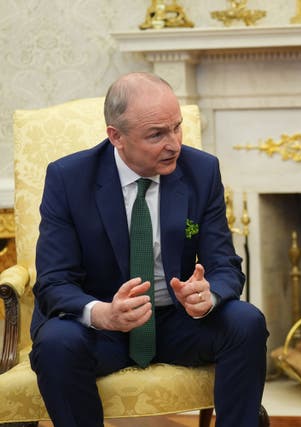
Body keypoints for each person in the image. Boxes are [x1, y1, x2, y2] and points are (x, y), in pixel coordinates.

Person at [29, 72, 268, 427]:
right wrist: (104, 314)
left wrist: (209, 295)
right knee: (54, 343)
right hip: (102, 327)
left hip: (176, 321)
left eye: (177, 128)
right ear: (116, 137)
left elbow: (225, 265)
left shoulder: (201, 170)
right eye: (157, 134)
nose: (174, 143)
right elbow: (53, 282)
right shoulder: (69, 179)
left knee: (246, 321)